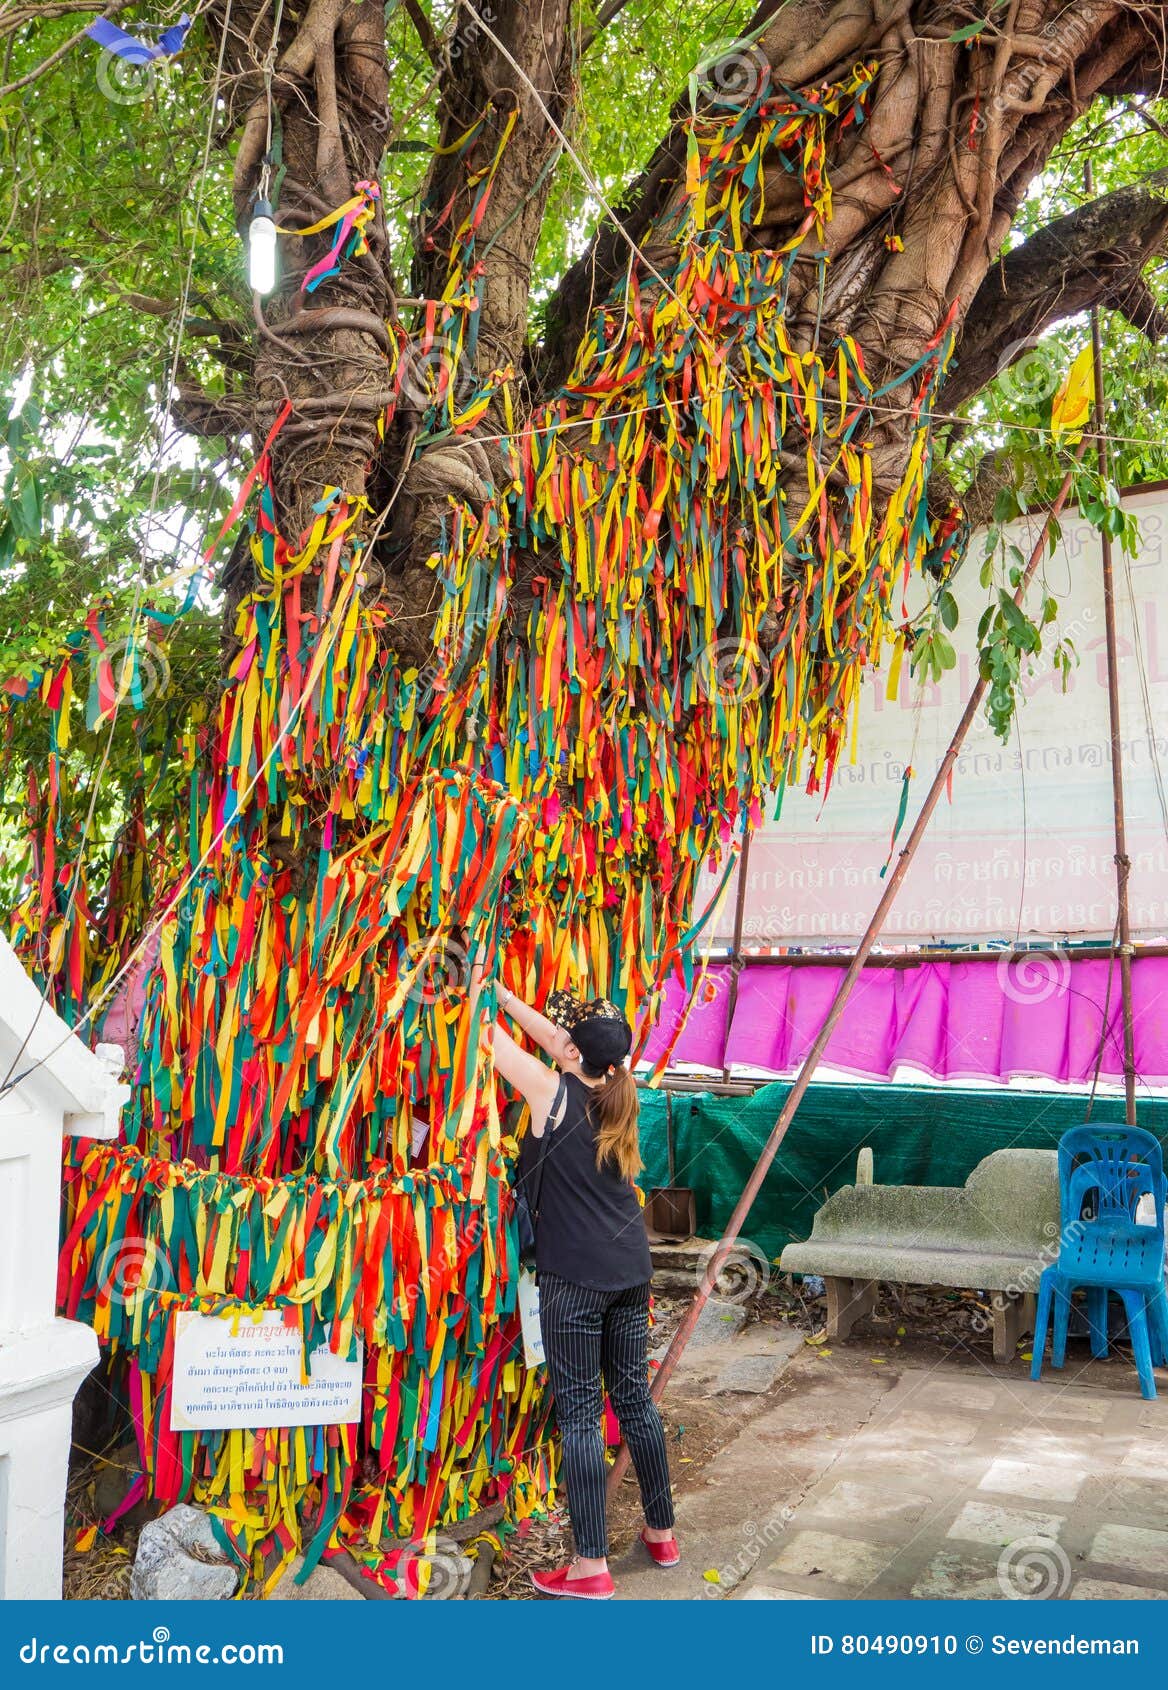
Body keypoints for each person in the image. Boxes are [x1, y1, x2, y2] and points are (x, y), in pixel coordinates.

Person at [469, 966, 679, 1599]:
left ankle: (590, 1566)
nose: (557, 1037)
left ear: (571, 1053)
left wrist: (477, 988)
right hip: (630, 1272)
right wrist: (508, 996)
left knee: (582, 1416)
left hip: (575, 1281)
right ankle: (661, 1532)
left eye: (565, 1036)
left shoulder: (547, 1092)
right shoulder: (621, 1088)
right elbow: (557, 1040)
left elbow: (489, 1039)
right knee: (636, 1402)